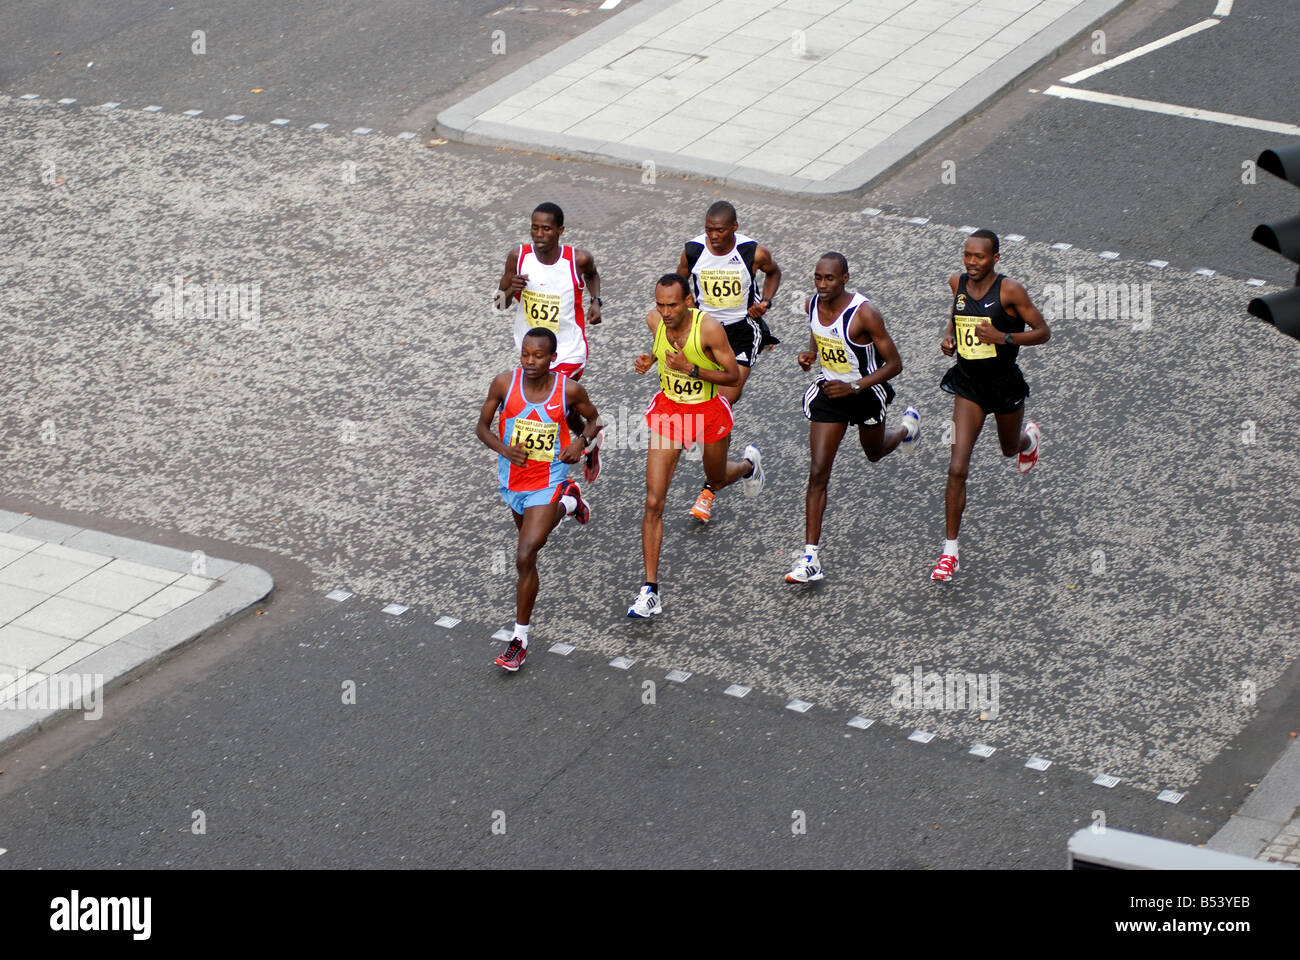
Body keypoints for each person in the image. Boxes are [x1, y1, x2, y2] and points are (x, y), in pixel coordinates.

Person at [627, 275, 764, 618]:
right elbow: (663, 353)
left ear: (688, 301)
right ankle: (649, 590)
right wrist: (650, 362)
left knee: (715, 478)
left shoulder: (709, 330)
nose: (665, 311)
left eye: (672, 304)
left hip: (707, 410)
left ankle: (748, 466)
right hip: (671, 412)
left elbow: (732, 376)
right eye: (660, 304)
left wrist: (692, 369)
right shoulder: (655, 321)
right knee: (654, 500)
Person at [475, 327, 602, 670]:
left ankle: (519, 639)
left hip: (548, 479)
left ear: (553, 358)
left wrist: (580, 443)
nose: (530, 362)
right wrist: (505, 450)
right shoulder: (504, 384)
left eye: (538, 356)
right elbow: (481, 428)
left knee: (526, 553)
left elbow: (594, 420)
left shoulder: (569, 390)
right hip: (512, 479)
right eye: (526, 355)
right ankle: (571, 501)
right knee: (527, 549)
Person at [787, 254, 919, 583]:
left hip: (864, 392)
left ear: (845, 277)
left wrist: (855, 385)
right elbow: (819, 333)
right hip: (831, 393)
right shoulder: (812, 304)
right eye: (817, 278)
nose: (821, 285)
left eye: (829, 279)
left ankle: (906, 430)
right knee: (818, 472)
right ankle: (810, 558)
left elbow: (894, 365)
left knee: (874, 453)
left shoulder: (865, 314)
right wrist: (811, 355)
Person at [931, 229, 1050, 582]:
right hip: (968, 386)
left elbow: (1043, 331)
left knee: (1007, 447)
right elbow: (956, 314)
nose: (971, 262)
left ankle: (1028, 440)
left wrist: (1004, 337)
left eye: (979, 257)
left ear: (995, 259)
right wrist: (950, 336)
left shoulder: (1010, 291)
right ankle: (949, 552)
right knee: (956, 467)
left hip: (1004, 384)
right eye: (967, 255)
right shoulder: (958, 283)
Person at [674, 200, 781, 520]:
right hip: (705, 331)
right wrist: (686, 298)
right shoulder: (693, 250)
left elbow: (774, 272)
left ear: (734, 227)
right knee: (703, 407)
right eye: (708, 230)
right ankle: (747, 467)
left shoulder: (753, 252)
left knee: (722, 402)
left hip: (741, 333)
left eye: (719, 230)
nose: (713, 236)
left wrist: (766, 301)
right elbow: (680, 277)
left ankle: (708, 492)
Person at [496, 202, 604, 482]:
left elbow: (592, 275)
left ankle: (555, 472)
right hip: (531, 351)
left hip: (567, 351)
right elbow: (498, 303)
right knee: (561, 407)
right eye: (534, 227)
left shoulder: (577, 260)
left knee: (557, 403)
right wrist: (510, 291)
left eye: (546, 228)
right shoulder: (517, 257)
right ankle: (588, 438)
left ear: (560, 231)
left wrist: (595, 302)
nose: (539, 234)